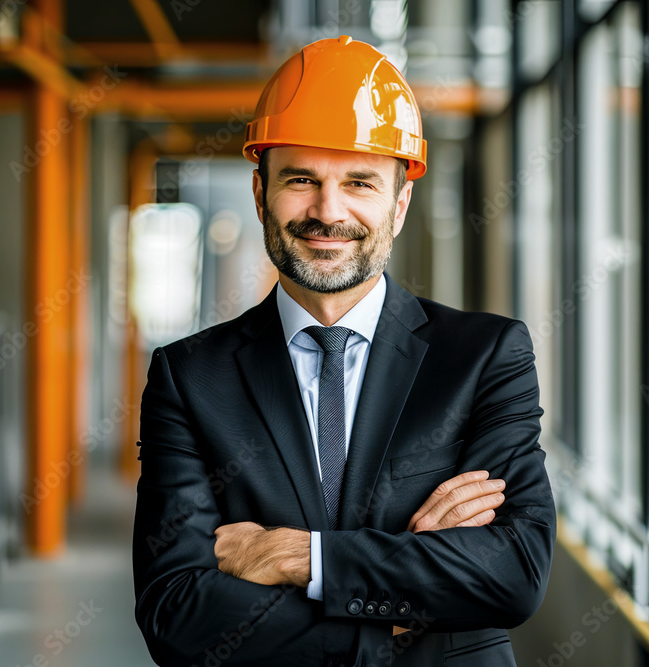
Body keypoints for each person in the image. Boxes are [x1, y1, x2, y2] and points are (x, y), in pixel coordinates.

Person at [132, 35, 555, 667]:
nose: (329, 212)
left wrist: (303, 557)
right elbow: (176, 610)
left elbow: (513, 573)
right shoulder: (189, 377)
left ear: (400, 202)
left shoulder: (484, 358)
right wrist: (390, 617)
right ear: (260, 193)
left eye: (360, 182)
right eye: (302, 179)